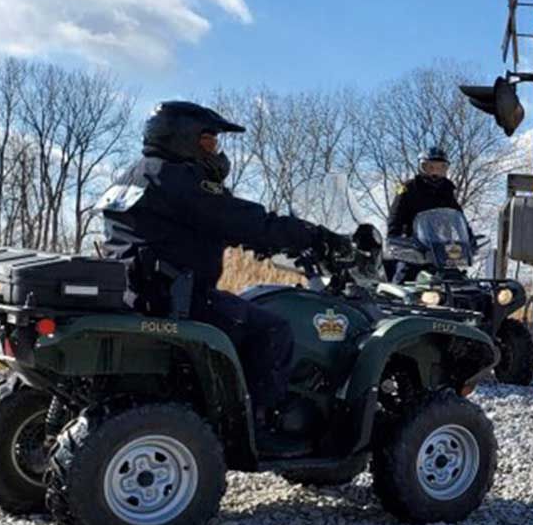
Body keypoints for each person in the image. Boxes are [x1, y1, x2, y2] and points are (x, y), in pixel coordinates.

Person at [95, 101, 347, 452]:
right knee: (272, 330)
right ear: (183, 138)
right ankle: (259, 427)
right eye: (209, 141)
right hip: (178, 299)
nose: (216, 151)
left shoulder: (135, 175)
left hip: (137, 293)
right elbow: (242, 219)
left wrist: (257, 242)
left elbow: (189, 228)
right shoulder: (180, 178)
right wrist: (315, 236)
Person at [386, 146, 466, 284]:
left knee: (457, 281)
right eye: (430, 167)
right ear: (421, 167)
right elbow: (395, 217)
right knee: (404, 280)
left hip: (441, 249)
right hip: (412, 248)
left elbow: (459, 217)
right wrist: (395, 239)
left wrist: (468, 238)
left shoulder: (447, 190)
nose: (435, 173)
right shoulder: (408, 188)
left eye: (440, 168)